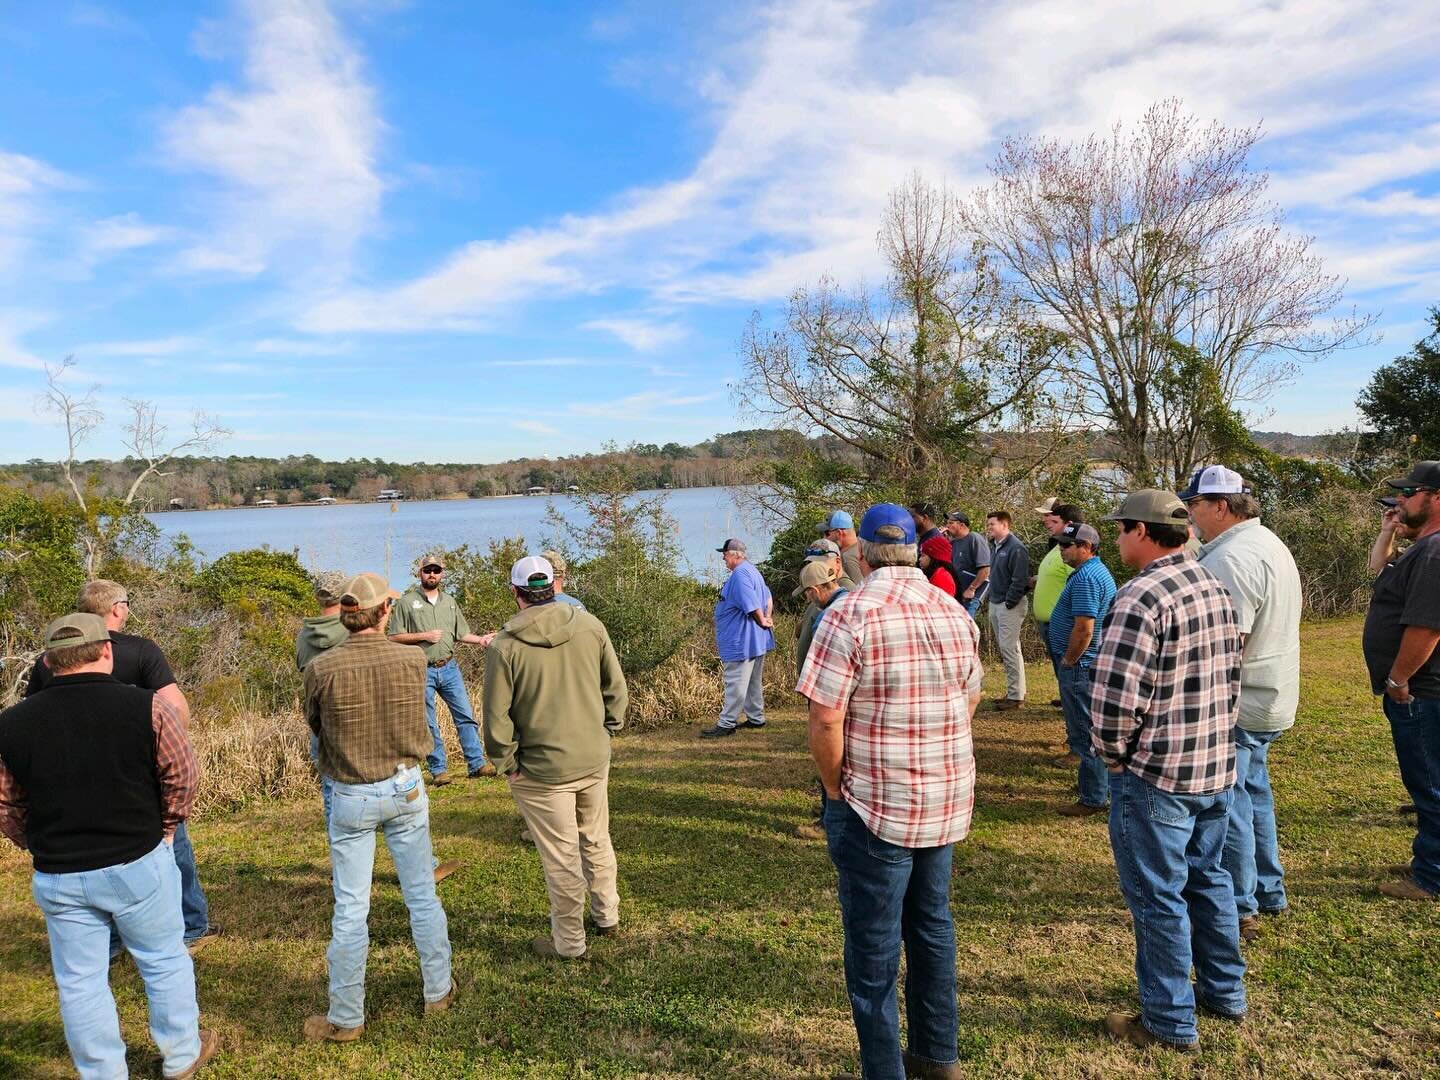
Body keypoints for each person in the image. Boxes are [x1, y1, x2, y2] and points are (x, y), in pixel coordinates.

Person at [797, 503, 982, 1080]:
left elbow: (825, 717)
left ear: (865, 553)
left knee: (873, 948)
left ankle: (884, 1067)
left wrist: (832, 790)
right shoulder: (952, 610)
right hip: (945, 800)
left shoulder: (848, 613)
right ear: (915, 552)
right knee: (932, 928)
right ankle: (936, 1055)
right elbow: (970, 695)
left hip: (873, 804)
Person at [0, 614, 219, 1079]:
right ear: (107, 651)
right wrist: (166, 830)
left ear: (47, 661)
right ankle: (181, 1055)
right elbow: (182, 776)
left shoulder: (10, 725)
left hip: (59, 872)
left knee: (79, 983)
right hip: (138, 859)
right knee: (163, 960)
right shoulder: (147, 707)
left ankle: (102, 1072)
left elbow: (7, 805)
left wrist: (36, 842)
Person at [1090, 489, 1246, 1052]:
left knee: (1159, 897)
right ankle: (1226, 994)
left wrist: (1111, 754)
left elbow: (1114, 698)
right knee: (1209, 880)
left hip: (1156, 774)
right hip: (1213, 765)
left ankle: (1169, 1021)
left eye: (1121, 528)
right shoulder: (1213, 585)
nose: (1115, 538)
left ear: (1143, 532)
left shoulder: (1141, 597)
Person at [28, 580, 220, 958]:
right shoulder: (141, 650)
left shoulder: (50, 661)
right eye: (127, 604)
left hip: (72, 780)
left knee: (95, 855)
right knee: (172, 847)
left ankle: (111, 941)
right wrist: (165, 743)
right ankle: (191, 925)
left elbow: (37, 717)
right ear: (117, 609)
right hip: (138, 772)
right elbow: (174, 705)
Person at [303, 573, 455, 1042]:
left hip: (350, 793)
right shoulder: (411, 658)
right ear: (385, 612)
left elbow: (315, 725)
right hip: (406, 784)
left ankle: (347, 1017)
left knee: (351, 908)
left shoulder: (321, 668)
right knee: (421, 896)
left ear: (346, 617)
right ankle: (438, 990)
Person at [483, 556, 628, 959]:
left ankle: (569, 943)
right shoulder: (590, 625)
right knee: (596, 838)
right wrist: (608, 731)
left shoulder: (504, 646)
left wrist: (506, 762)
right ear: (554, 586)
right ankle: (607, 916)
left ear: (516, 593)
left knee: (562, 856)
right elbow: (615, 688)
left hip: (541, 770)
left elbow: (496, 717)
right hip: (592, 757)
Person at [1182, 464, 1302, 936]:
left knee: (1229, 805)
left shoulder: (1231, 559)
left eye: (1194, 504)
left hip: (1240, 701)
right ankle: (1268, 889)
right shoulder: (1268, 542)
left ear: (1220, 506)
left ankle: (1239, 900)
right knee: (1254, 795)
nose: (1190, 514)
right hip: (1271, 693)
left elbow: (1229, 642)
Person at [1362, 461, 1440, 901]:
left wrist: (1398, 679)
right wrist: (1390, 530)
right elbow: (1380, 569)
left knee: (1430, 783)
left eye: (1411, 492)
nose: (1401, 500)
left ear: (1436, 497)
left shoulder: (1435, 552)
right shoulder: (1422, 547)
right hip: (1419, 690)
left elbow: (1426, 628)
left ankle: (1432, 876)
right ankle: (1429, 857)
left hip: (1422, 689)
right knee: (1427, 780)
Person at [387, 553, 497, 784]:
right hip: (420, 670)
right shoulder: (407, 602)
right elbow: (394, 637)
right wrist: (423, 636)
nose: (432, 574)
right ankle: (439, 771)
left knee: (465, 716)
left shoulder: (449, 601)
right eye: (428, 570)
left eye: (436, 570)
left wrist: (481, 640)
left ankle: (476, 764)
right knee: (429, 723)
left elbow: (460, 633)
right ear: (420, 573)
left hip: (449, 668)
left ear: (442, 574)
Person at [1047, 523, 1116, 818]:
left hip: (1082, 665)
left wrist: (1070, 660)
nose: (1061, 549)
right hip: (1088, 664)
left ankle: (1093, 797)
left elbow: (1085, 627)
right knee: (1090, 731)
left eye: (1067, 545)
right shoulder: (1091, 572)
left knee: (1084, 735)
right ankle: (1097, 787)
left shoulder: (1087, 577)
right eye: (1061, 544)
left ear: (1086, 547)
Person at [701, 539, 775, 738]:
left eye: (724, 554)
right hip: (756, 640)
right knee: (752, 682)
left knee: (735, 681)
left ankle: (726, 723)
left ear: (735, 554)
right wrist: (767, 617)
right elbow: (768, 598)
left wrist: (761, 619)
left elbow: (750, 604)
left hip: (742, 640)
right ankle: (756, 718)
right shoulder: (752, 570)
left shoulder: (740, 574)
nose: (723, 558)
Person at [296, 570, 350, 825]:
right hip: (356, 718)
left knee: (331, 793)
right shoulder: (353, 631)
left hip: (322, 724)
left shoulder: (303, 637)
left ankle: (341, 859)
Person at [1031, 503, 1084, 708]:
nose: (1047, 524)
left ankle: (1073, 713)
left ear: (1068, 524)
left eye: (1053, 521)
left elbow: (1077, 585)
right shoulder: (1058, 548)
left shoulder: (1073, 553)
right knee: (1061, 671)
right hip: (1050, 624)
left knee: (1070, 671)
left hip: (1063, 624)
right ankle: (1066, 704)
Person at [985, 511, 1030, 710]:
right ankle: (1014, 692)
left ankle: (1015, 696)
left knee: (1010, 649)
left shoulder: (1016, 547)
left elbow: (1019, 580)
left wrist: (1009, 602)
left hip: (1008, 605)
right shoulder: (995, 546)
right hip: (996, 603)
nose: (989, 527)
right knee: (1008, 648)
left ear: (1004, 525)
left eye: (992, 524)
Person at [794, 540, 855, 673]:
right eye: (812, 563)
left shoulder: (848, 595)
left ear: (837, 562)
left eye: (820, 562)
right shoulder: (825, 592)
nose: (815, 567)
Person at [944, 511, 990, 617]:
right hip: (958, 594)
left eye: (951, 523)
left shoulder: (974, 538)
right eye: (947, 523)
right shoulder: (953, 543)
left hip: (972, 595)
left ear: (961, 525)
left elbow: (985, 569)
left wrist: (972, 589)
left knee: (967, 625)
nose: (947, 525)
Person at [821, 510, 864, 587]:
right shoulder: (865, 545)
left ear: (839, 533)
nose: (824, 538)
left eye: (827, 533)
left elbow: (860, 591)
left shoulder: (847, 559)